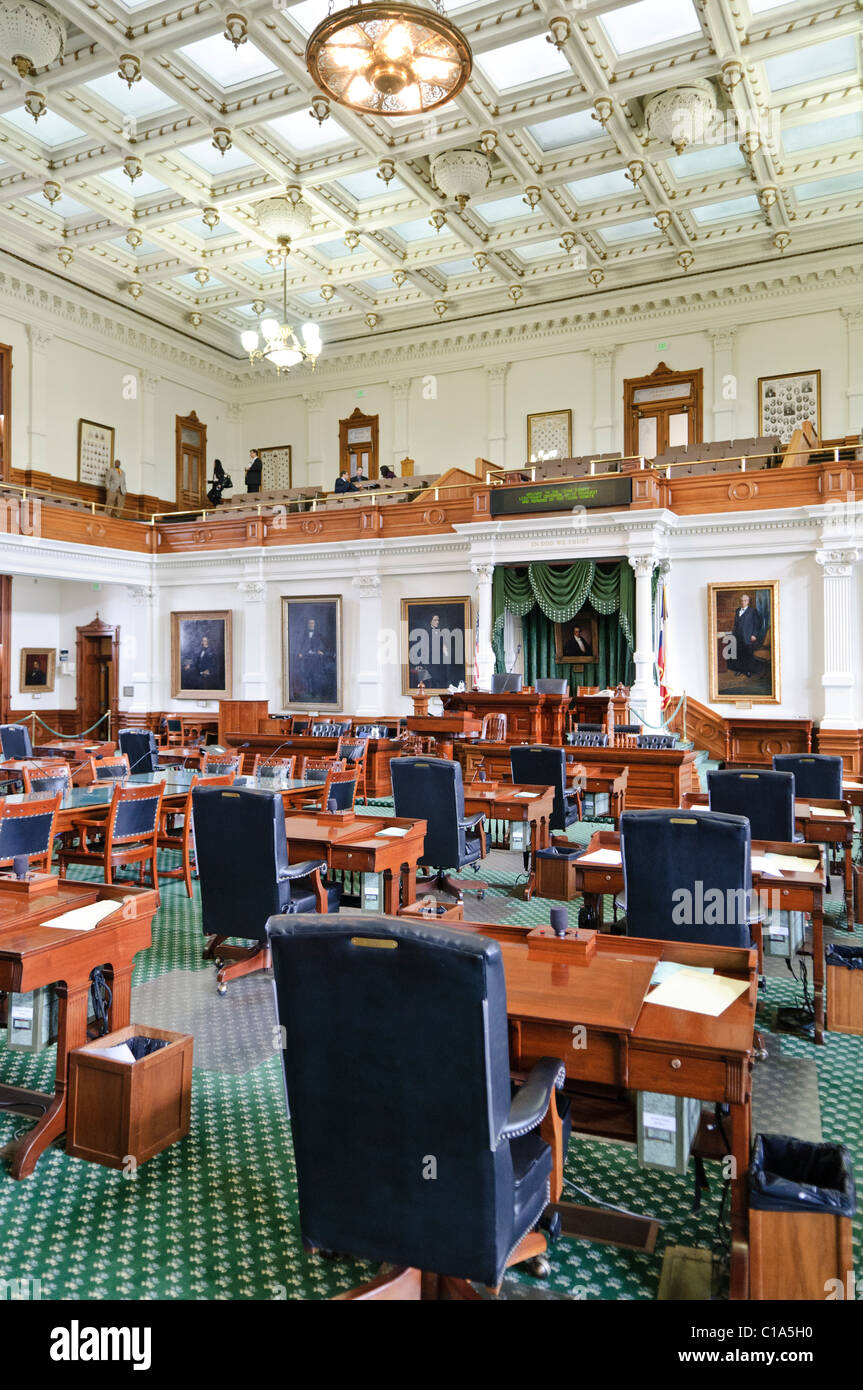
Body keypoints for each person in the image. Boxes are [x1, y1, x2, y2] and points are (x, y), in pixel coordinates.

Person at [726, 593, 764, 677]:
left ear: (748, 601)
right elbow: (736, 624)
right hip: (737, 636)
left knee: (748, 654)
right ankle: (740, 669)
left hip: (748, 636)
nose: (743, 602)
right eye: (741, 601)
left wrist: (754, 635)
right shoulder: (737, 610)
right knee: (739, 654)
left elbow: (757, 624)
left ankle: (748, 671)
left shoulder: (752, 611)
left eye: (745, 601)